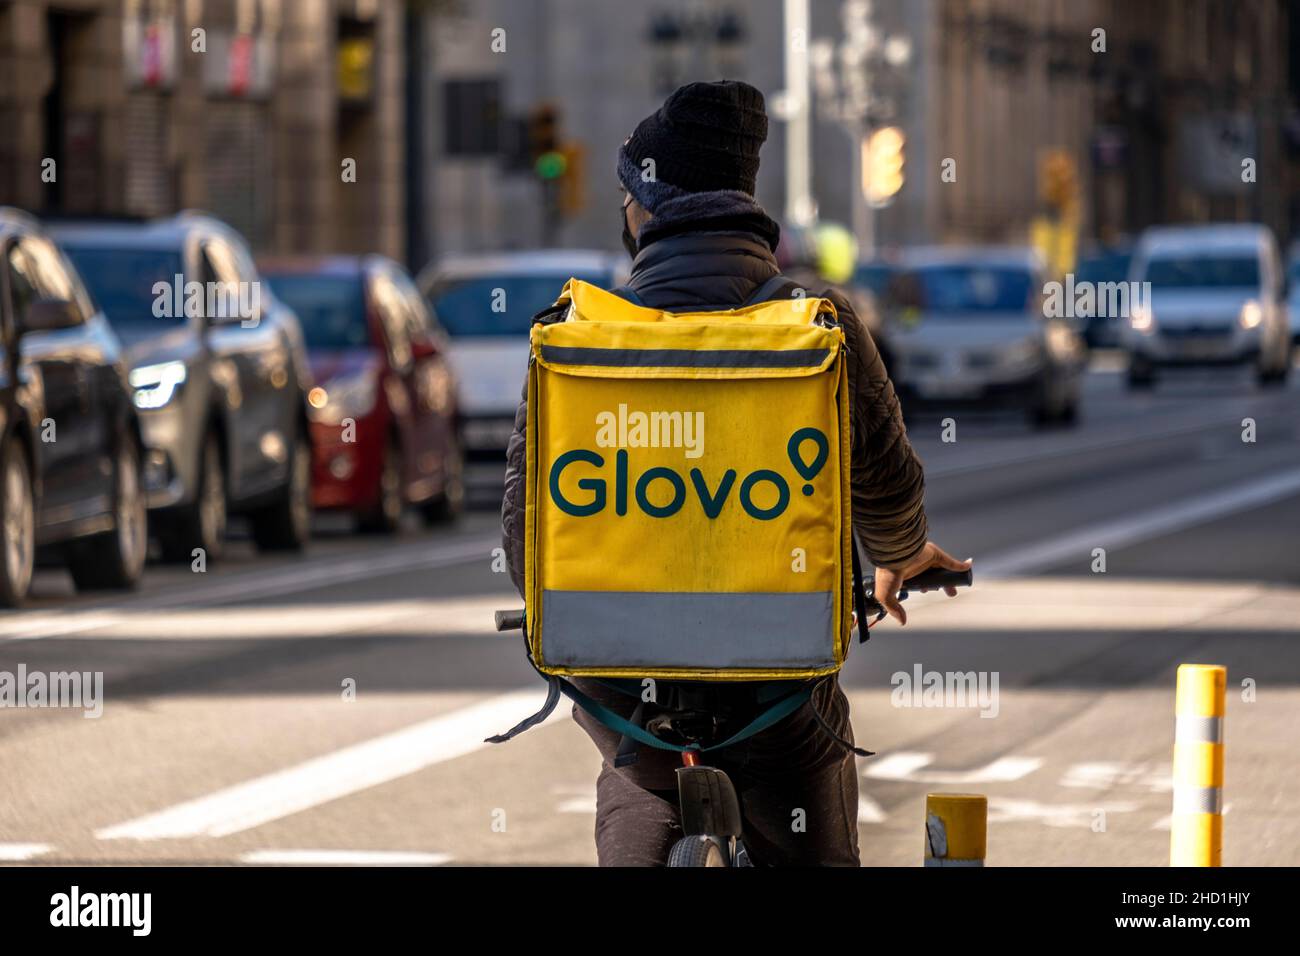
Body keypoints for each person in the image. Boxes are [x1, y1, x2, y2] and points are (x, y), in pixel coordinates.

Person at [501, 80, 968, 866]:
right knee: (803, 763)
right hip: (774, 690)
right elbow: (888, 486)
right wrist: (901, 553)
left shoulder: (576, 338)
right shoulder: (816, 326)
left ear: (645, 210)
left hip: (624, 689)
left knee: (638, 773)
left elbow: (526, 536)